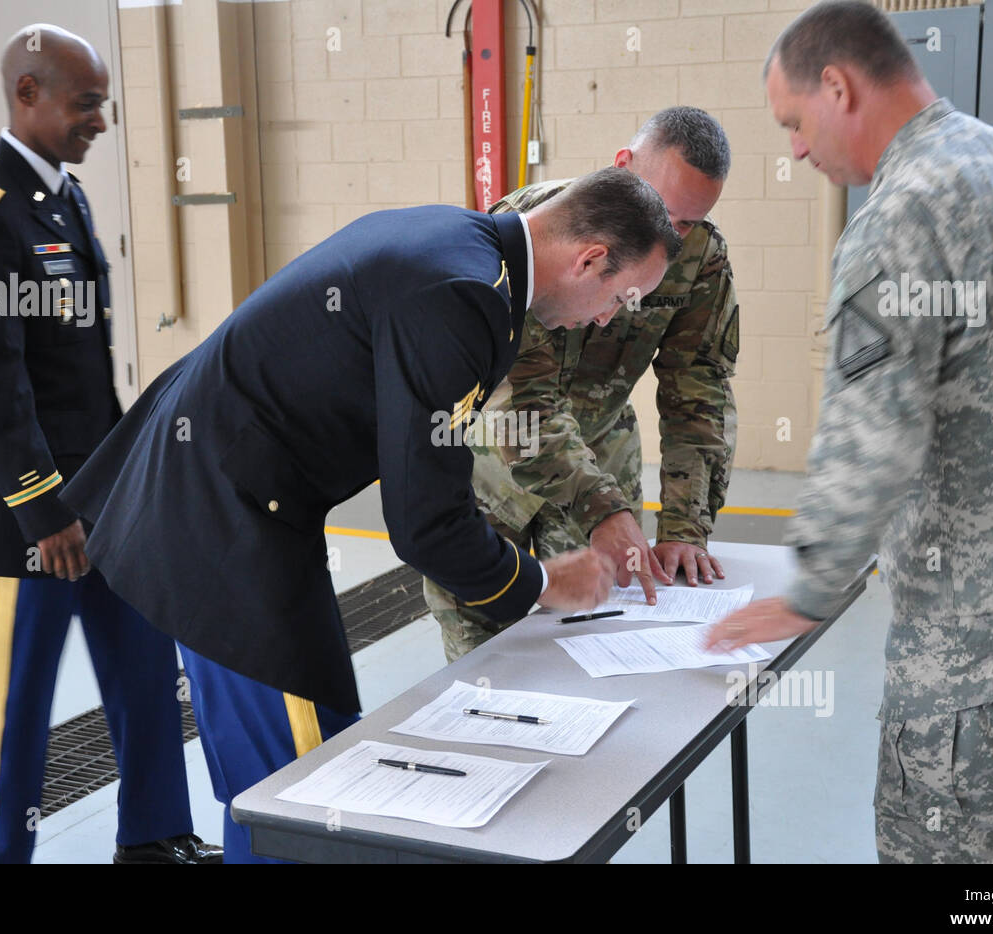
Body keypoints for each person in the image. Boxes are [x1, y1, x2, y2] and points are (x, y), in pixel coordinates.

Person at [61, 166, 681, 862]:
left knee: (328, 749)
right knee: (295, 798)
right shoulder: (464, 294)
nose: (608, 318)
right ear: (591, 257)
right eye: (620, 297)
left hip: (247, 501)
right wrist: (542, 584)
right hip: (217, 515)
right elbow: (424, 522)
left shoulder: (470, 250)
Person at [705, 0, 993, 864]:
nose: (795, 150)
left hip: (976, 595)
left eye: (793, 122)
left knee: (942, 838)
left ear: (837, 85)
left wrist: (809, 586)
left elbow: (872, 426)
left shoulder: (900, 217)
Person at [0, 23, 218, 864]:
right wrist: (43, 507)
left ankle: (154, 836)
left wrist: (128, 481)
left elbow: (84, 373)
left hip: (104, 500)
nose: (101, 120)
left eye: (103, 103)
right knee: (14, 701)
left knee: (144, 668)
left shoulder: (67, 199)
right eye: (85, 104)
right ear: (28, 95)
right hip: (34, 520)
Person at [424, 106, 739, 662]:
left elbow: (699, 393)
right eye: (664, 211)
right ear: (623, 166)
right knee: (481, 661)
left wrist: (686, 525)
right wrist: (605, 511)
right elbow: (520, 400)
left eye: (687, 223)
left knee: (597, 647)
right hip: (495, 468)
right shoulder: (530, 227)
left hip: (602, 463)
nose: (668, 236)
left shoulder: (701, 261)